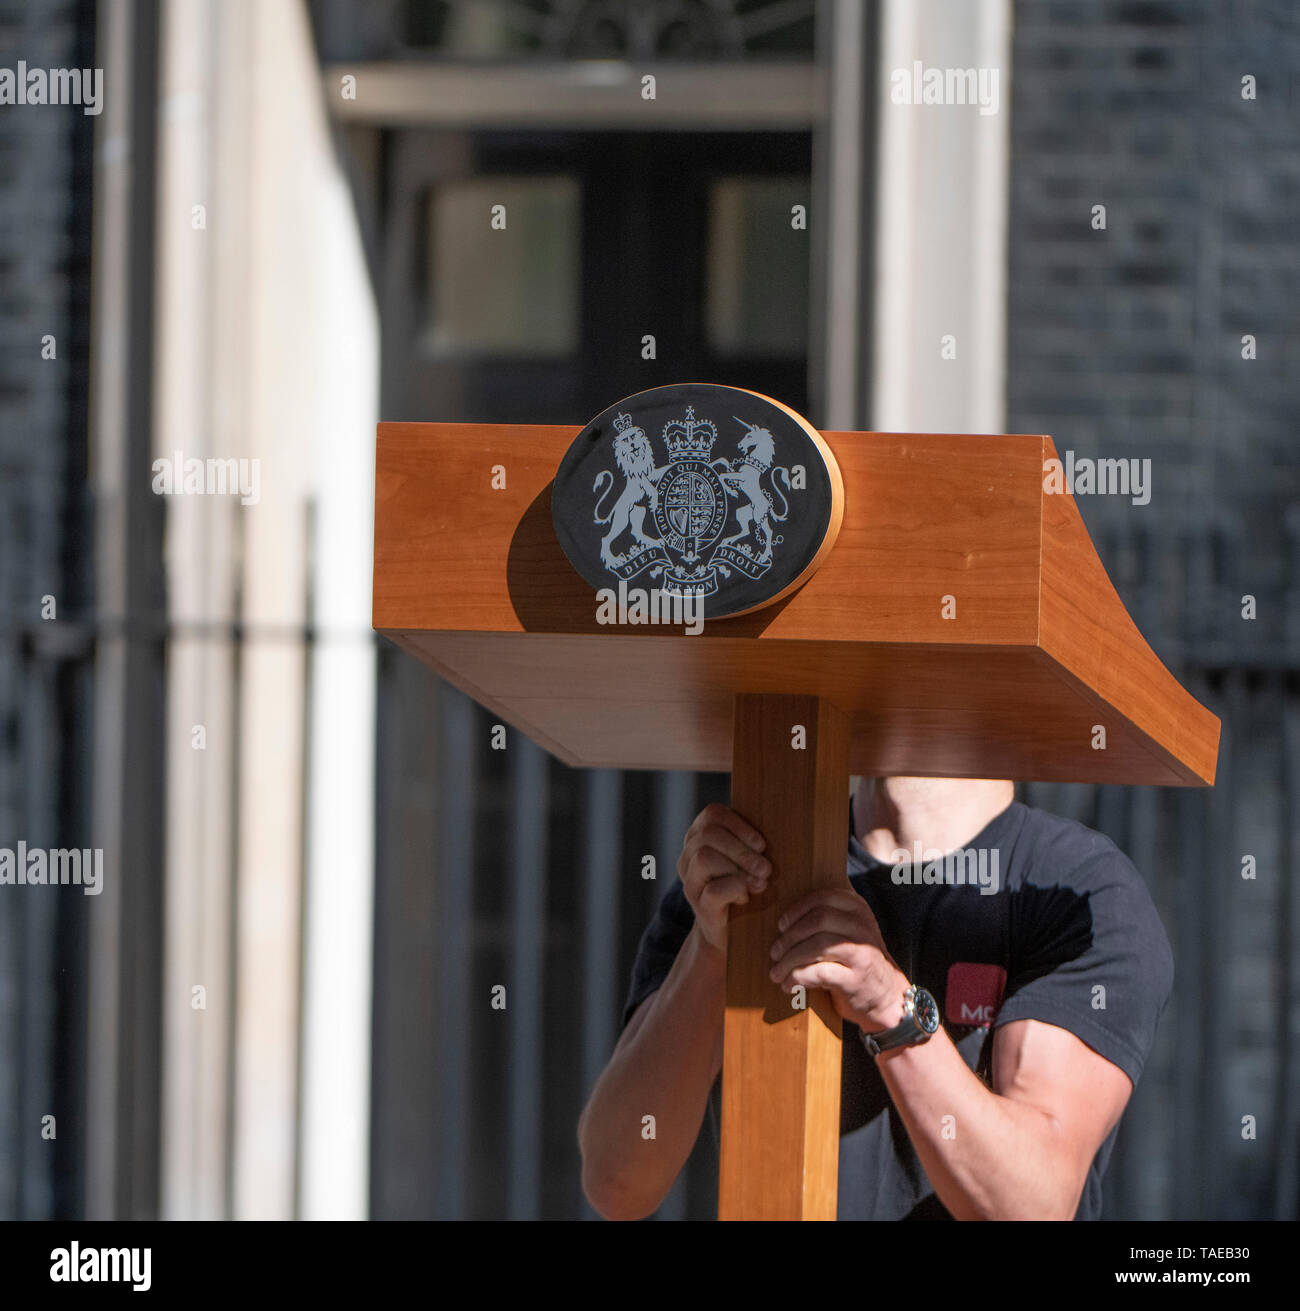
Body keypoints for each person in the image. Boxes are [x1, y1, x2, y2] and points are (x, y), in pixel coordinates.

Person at [577, 775, 1173, 1220]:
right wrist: (711, 952)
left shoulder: (1073, 887)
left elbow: (1031, 1205)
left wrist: (892, 1007)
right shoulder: (751, 867)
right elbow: (617, 1181)